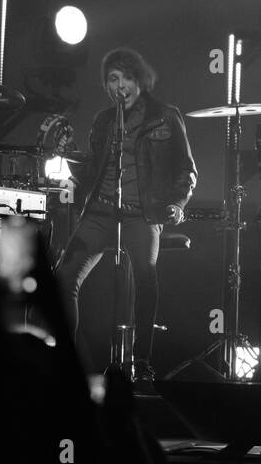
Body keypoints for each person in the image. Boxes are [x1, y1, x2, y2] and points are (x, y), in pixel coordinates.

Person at [56, 47, 197, 392]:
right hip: (102, 211)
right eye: (113, 79)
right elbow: (91, 172)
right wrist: (67, 151)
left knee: (145, 280)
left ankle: (141, 364)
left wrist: (177, 203)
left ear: (140, 80)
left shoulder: (166, 116)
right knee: (63, 278)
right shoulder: (104, 120)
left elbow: (187, 171)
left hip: (142, 215)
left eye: (127, 78)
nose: (121, 86)